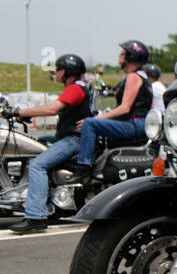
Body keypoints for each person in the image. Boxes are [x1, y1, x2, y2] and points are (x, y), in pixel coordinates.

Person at [3, 54, 93, 233]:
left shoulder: (75, 88)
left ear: (68, 72)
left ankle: (35, 216)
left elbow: (52, 108)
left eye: (58, 69)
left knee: (37, 165)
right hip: (68, 137)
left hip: (73, 140)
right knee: (37, 144)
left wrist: (17, 112)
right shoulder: (77, 87)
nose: (56, 73)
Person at [71, 40, 153, 181]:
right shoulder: (144, 78)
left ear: (130, 57)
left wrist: (99, 118)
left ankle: (83, 168)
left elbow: (125, 108)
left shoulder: (133, 77)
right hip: (140, 123)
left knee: (89, 124)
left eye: (122, 53)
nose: (119, 56)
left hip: (133, 125)